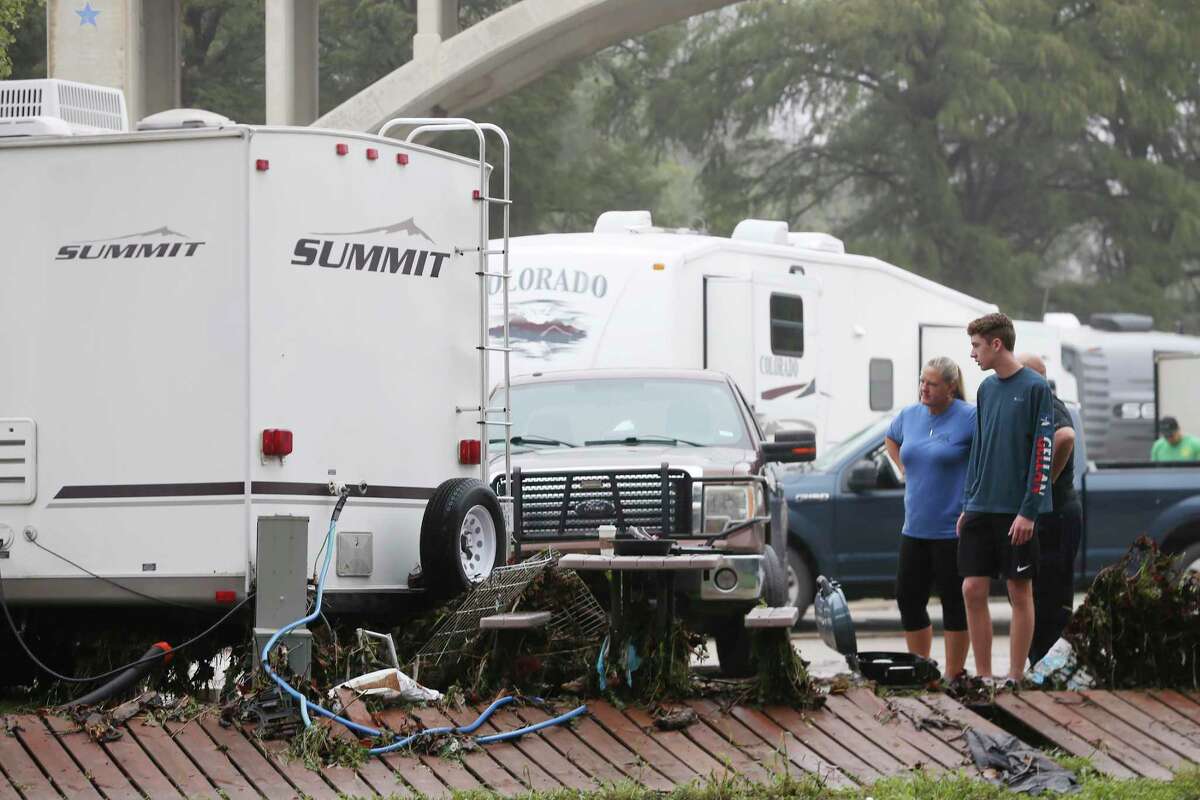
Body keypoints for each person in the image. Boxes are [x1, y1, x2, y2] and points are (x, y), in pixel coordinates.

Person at [957, 313, 1054, 685]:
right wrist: (968, 503)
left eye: (976, 346)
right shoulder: (985, 389)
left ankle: (1015, 674)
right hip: (981, 506)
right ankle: (983, 675)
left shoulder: (1034, 388)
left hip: (1017, 512)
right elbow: (978, 448)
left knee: (1019, 590)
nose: (972, 354)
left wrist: (1029, 511)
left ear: (996, 344)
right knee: (972, 587)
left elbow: (1043, 450)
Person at [884, 357, 975, 682]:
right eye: (922, 381)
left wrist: (972, 502)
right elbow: (891, 438)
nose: (924, 388)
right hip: (915, 527)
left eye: (932, 383)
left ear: (950, 387)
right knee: (908, 598)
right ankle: (921, 668)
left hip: (952, 530)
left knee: (953, 602)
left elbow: (986, 461)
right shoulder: (910, 415)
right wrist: (902, 466)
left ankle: (953, 673)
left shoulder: (969, 417)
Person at [1017, 353, 1082, 667]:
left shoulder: (1049, 404)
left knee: (1051, 599)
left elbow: (1066, 436)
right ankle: (1038, 667)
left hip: (1055, 516)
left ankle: (1050, 671)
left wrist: (1040, 487)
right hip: (1044, 516)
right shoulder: (1030, 407)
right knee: (1034, 594)